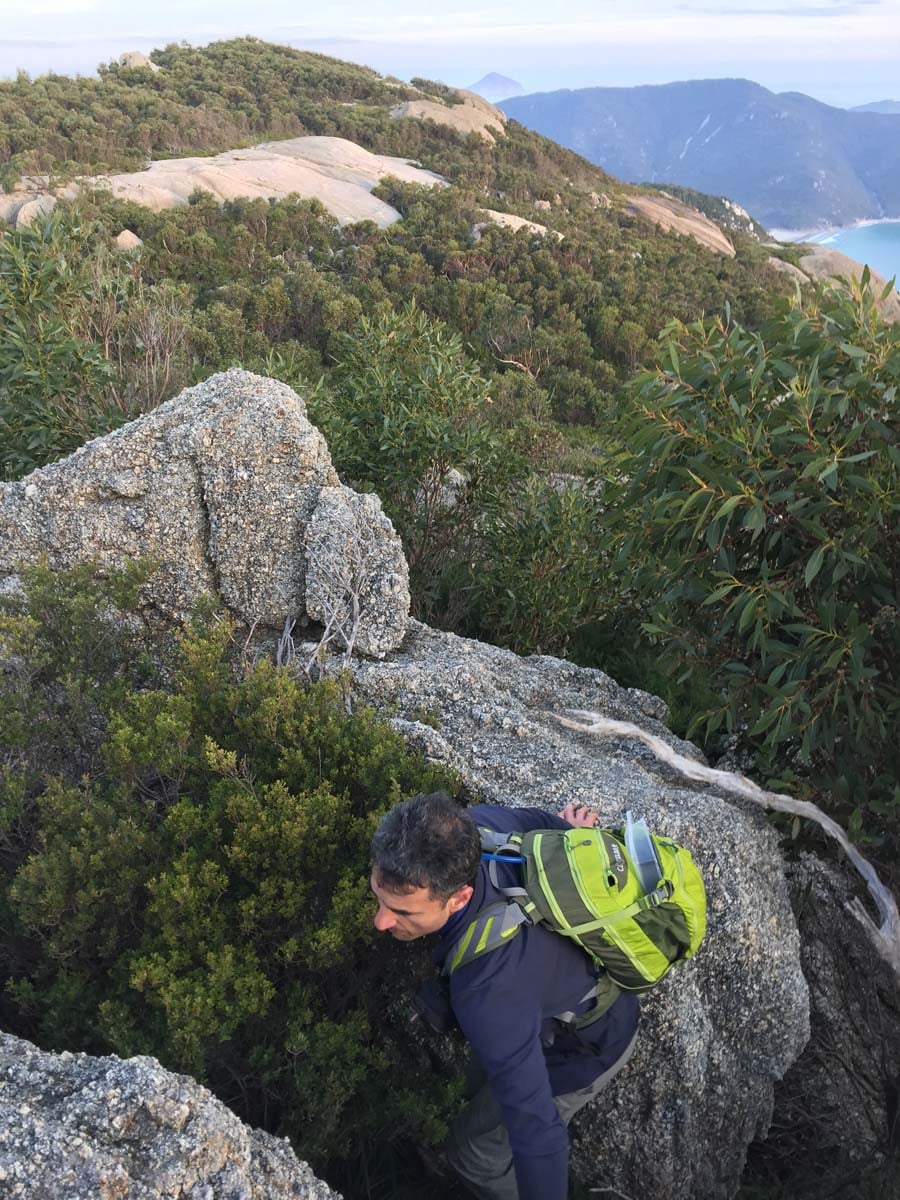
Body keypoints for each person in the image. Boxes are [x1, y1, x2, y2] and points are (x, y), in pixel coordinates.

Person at [370, 790, 640, 1200]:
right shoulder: (476, 832)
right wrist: (572, 835)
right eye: (378, 894)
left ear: (459, 897)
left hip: (584, 1045)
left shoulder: (488, 993)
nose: (380, 921)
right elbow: (539, 821)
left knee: (473, 1152)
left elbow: (537, 1131)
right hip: (547, 995)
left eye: (403, 912)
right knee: (489, 1078)